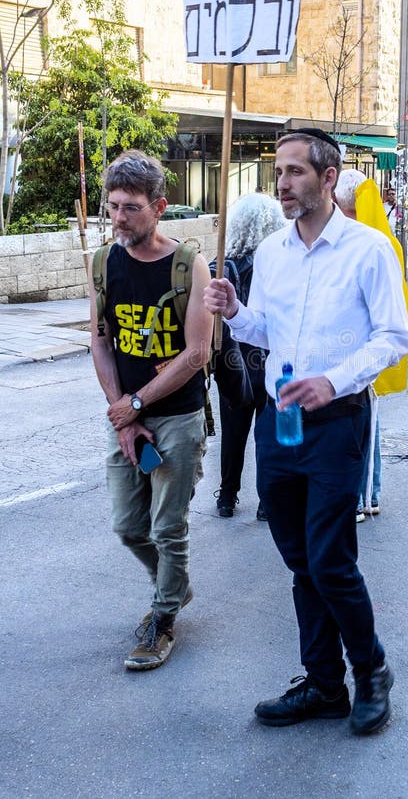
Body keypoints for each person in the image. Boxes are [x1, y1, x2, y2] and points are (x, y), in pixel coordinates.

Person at [204, 128, 408, 736]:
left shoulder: (369, 249)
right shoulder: (272, 252)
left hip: (337, 423)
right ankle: (324, 684)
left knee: (329, 560)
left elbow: (394, 337)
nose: (283, 182)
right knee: (300, 560)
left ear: (328, 177)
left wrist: (335, 381)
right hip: (280, 423)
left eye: (295, 171)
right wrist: (234, 311)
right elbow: (265, 331)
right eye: (279, 171)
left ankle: (371, 671)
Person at [89, 150, 213, 671]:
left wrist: (139, 403)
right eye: (113, 205)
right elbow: (100, 341)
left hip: (178, 416)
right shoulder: (103, 262)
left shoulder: (189, 266)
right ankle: (174, 584)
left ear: (159, 208)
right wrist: (124, 413)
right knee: (127, 525)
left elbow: (197, 354)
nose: (119, 217)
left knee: (167, 528)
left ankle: (162, 619)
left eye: (131, 208)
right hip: (129, 415)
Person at [333, 170, 408, 523]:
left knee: (361, 426)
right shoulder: (381, 238)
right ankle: (368, 493)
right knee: (366, 424)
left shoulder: (369, 243)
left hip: (361, 351)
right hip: (361, 351)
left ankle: (363, 496)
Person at [211, 192, 286, 520]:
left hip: (232, 360)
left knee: (233, 432)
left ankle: (227, 496)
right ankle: (266, 501)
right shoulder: (277, 264)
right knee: (267, 437)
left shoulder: (221, 265)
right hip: (267, 358)